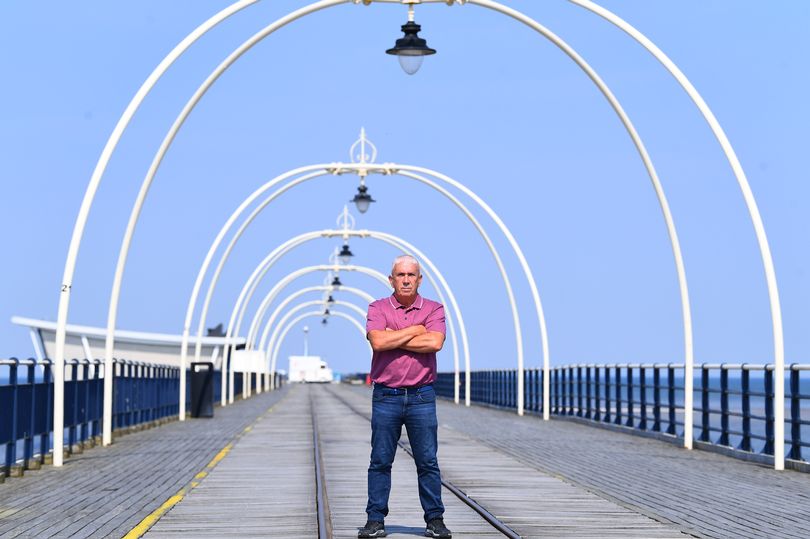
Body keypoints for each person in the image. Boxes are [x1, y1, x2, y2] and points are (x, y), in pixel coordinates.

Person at [358, 255, 452, 539]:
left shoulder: (435, 308)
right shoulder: (378, 307)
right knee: (380, 461)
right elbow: (377, 341)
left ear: (420, 279)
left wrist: (394, 336)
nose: (407, 279)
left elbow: (435, 342)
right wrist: (415, 331)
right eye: (401, 275)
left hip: (422, 396)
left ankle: (435, 520)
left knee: (427, 462)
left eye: (412, 274)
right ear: (392, 279)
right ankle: (375, 521)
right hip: (386, 395)